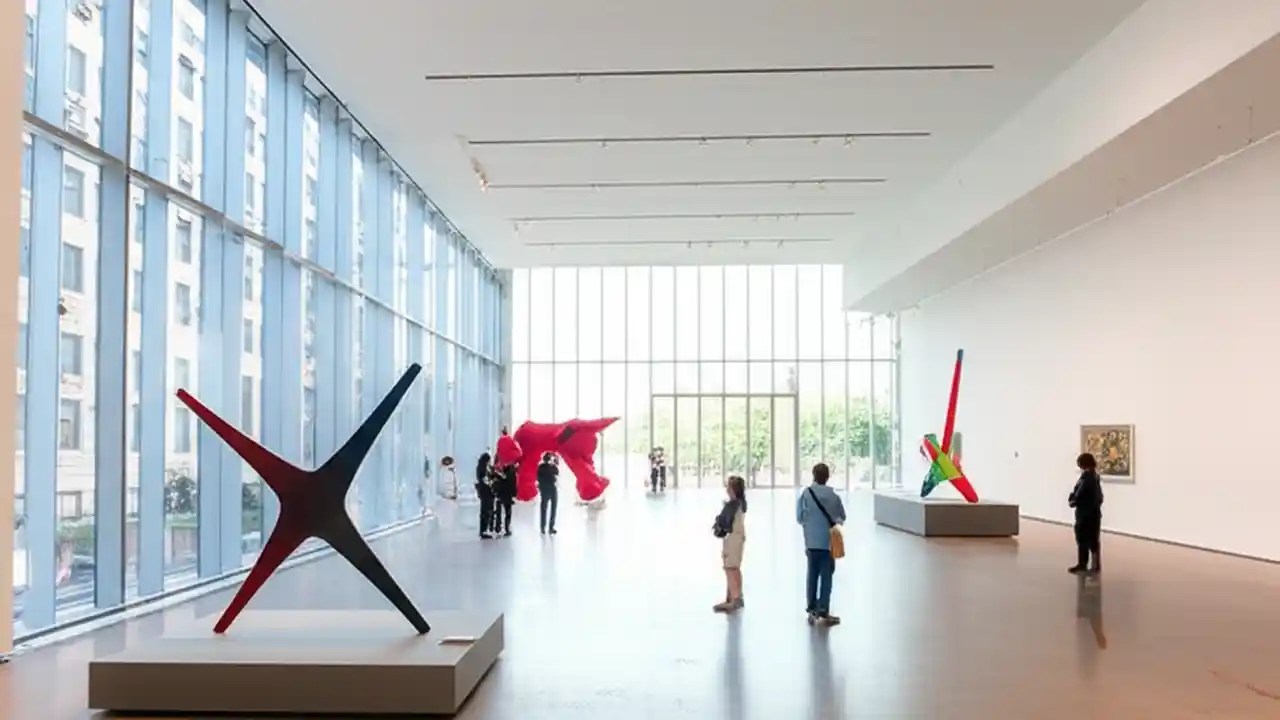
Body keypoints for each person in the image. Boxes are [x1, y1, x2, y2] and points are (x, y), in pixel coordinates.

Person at [796, 463, 846, 626]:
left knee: (812, 574)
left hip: (811, 541)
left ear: (813, 475)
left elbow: (800, 517)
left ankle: (811, 607)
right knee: (826, 575)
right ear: (827, 477)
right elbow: (841, 517)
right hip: (827, 542)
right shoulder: (834, 496)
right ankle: (823, 608)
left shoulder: (806, 494)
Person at [713, 475, 748, 613]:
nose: (727, 489)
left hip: (732, 538)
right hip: (739, 537)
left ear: (733, 489)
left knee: (730, 568)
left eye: (728, 486)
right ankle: (735, 596)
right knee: (735, 568)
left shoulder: (732, 505)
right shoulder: (741, 503)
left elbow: (724, 523)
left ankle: (734, 599)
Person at [1068, 452, 1103, 574]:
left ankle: (1093, 566)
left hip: (1088, 515)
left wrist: (1075, 500)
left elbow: (1085, 495)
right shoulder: (1089, 476)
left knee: (1090, 539)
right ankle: (1084, 564)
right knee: (1084, 539)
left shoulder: (1090, 478)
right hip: (1087, 513)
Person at [537, 452, 560, 535]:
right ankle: (550, 527)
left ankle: (543, 527)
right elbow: (557, 473)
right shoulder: (551, 467)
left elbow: (538, 478)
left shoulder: (541, 467)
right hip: (550, 488)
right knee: (552, 508)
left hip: (546, 489)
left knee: (544, 508)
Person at [474, 454, 495, 539]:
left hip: (486, 492)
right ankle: (484, 530)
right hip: (485, 492)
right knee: (485, 511)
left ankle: (484, 529)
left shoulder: (484, 468)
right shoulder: (482, 469)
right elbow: (485, 480)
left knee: (486, 510)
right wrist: (492, 482)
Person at [493, 462, 517, 536]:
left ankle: (498, 527)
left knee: (499, 511)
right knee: (507, 512)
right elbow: (513, 482)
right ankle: (506, 528)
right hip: (507, 493)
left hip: (501, 493)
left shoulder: (501, 468)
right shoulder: (511, 470)